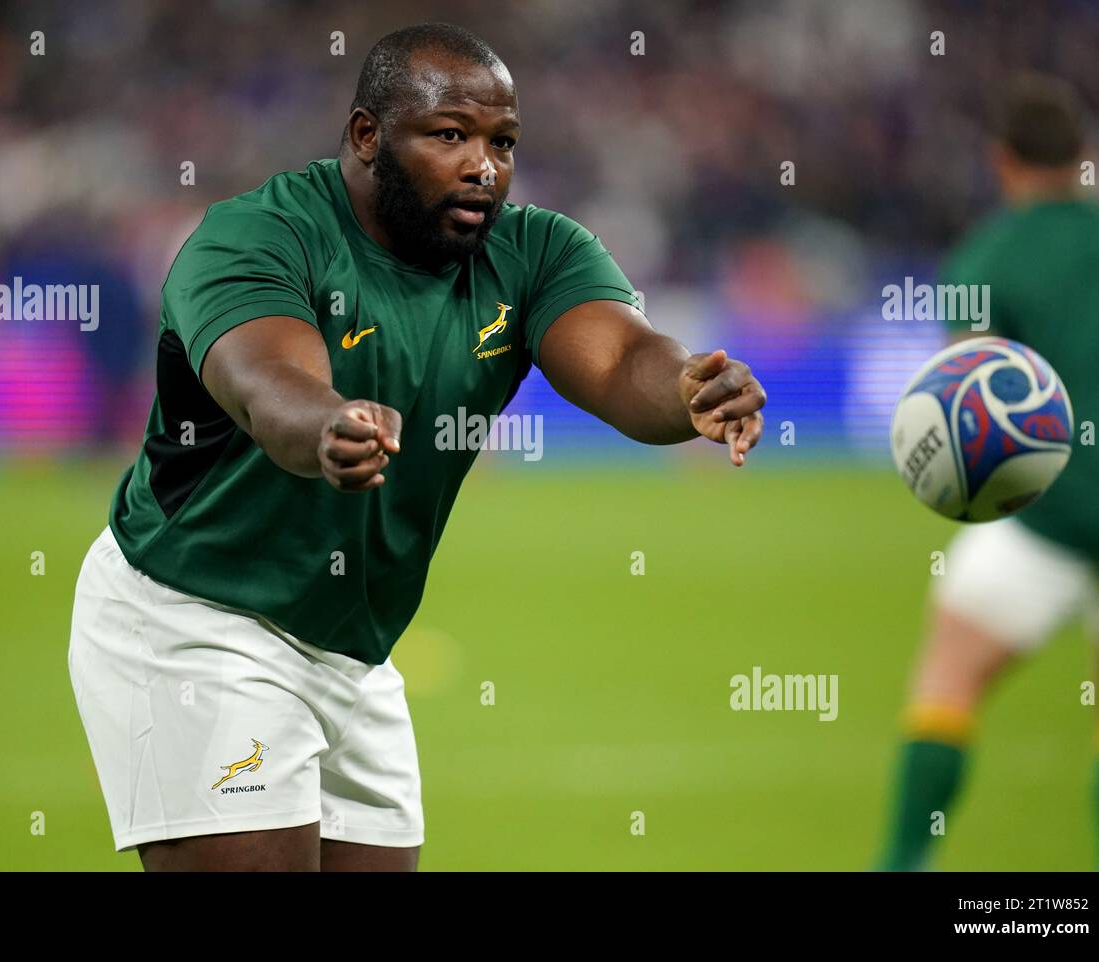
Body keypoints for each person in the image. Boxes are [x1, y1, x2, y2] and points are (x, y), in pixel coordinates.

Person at [69, 22, 766, 871]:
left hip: (354, 648)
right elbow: (266, 383)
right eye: (451, 135)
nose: (485, 166)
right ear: (367, 136)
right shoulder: (254, 237)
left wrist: (689, 387)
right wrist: (328, 425)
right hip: (197, 615)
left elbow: (622, 358)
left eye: (502, 142)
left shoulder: (536, 252)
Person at [878, 75, 1099, 871]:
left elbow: (970, 402)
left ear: (1002, 161)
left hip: (1046, 513)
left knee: (949, 676)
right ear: (1082, 157)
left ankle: (901, 864)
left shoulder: (988, 256)